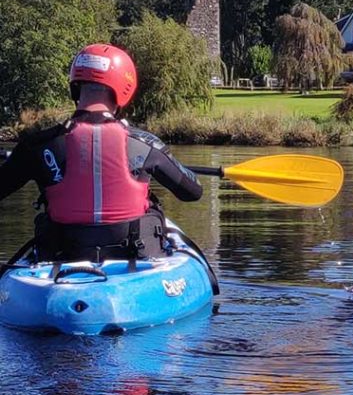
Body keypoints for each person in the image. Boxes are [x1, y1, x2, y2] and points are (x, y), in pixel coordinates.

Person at [0, 43, 203, 263]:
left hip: (62, 260)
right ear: (124, 89)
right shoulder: (146, 145)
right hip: (135, 256)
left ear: (75, 88)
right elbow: (192, 192)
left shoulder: (36, 146)